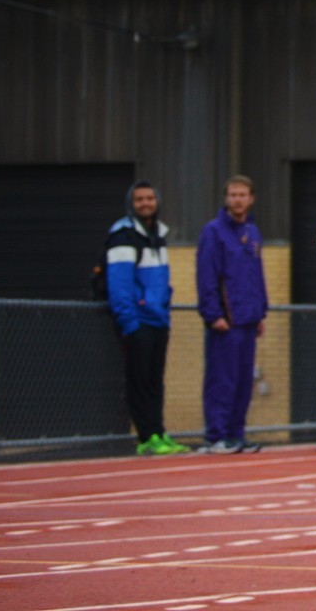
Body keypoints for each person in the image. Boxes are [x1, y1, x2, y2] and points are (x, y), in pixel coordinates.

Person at [105, 181, 190, 456]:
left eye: (149, 198)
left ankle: (158, 432)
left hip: (158, 320)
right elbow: (119, 285)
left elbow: (162, 279)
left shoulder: (158, 235)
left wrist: (164, 304)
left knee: (155, 381)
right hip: (137, 322)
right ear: (132, 203)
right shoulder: (123, 236)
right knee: (139, 381)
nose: (145, 203)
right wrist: (129, 322)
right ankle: (146, 437)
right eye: (139, 199)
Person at [196, 175, 268, 453]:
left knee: (243, 381)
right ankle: (216, 435)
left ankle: (237, 434)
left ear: (251, 199)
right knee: (221, 379)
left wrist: (260, 311)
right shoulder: (213, 232)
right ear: (226, 199)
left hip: (248, 319)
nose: (238, 200)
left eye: (243, 195)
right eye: (233, 195)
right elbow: (207, 277)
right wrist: (214, 314)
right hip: (226, 321)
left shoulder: (253, 233)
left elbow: (256, 275)